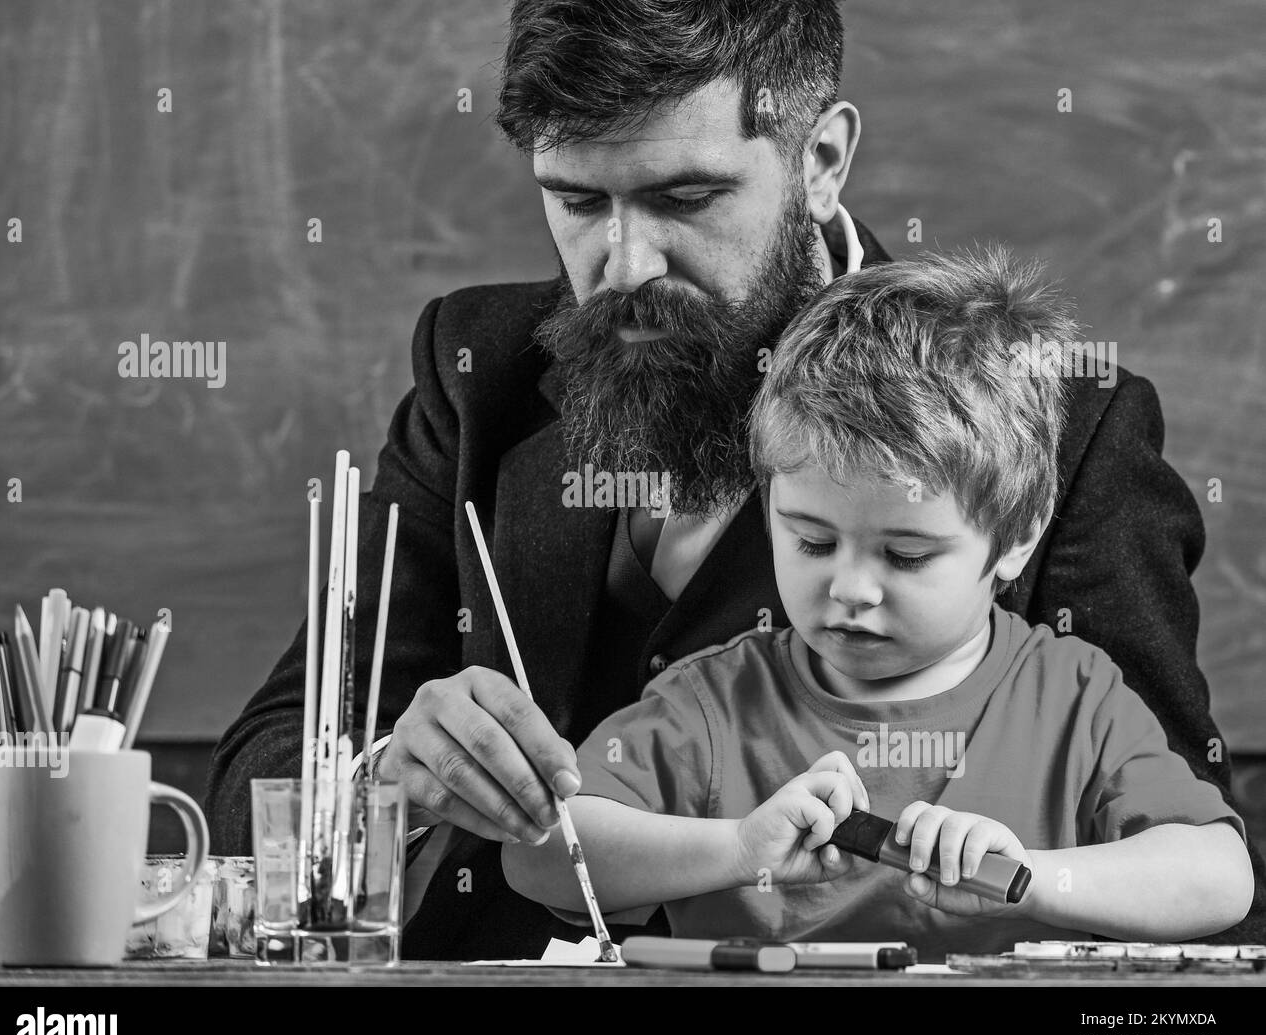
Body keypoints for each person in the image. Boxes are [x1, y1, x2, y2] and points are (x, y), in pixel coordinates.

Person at [206, 0, 1262, 958]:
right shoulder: (474, 367)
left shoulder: (1061, 423)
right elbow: (264, 759)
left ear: (823, 158)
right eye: (575, 200)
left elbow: (1194, 894)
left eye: (686, 196)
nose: (625, 265)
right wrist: (391, 774)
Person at [502, 250, 1254, 960]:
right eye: (813, 542)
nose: (850, 589)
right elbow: (539, 857)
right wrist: (737, 847)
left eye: (906, 555)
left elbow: (1220, 877)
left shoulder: (1075, 696)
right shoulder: (710, 702)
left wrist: (1032, 873)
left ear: (1019, 536)